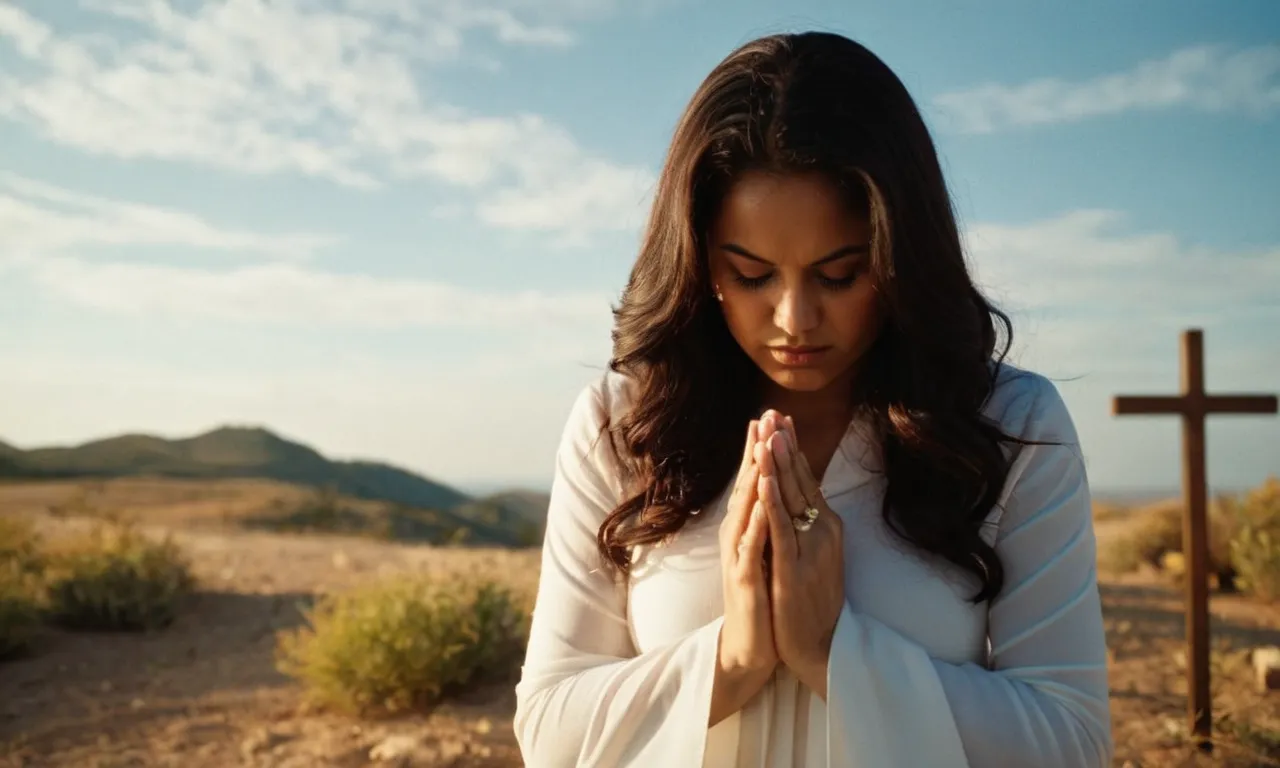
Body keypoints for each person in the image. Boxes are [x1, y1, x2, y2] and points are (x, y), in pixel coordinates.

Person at [512, 30, 1113, 768]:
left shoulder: (1009, 426)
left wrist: (836, 652)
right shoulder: (624, 422)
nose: (795, 320)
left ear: (901, 255)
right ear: (700, 262)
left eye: (840, 274)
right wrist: (731, 661)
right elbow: (547, 731)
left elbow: (1070, 742)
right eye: (754, 273)